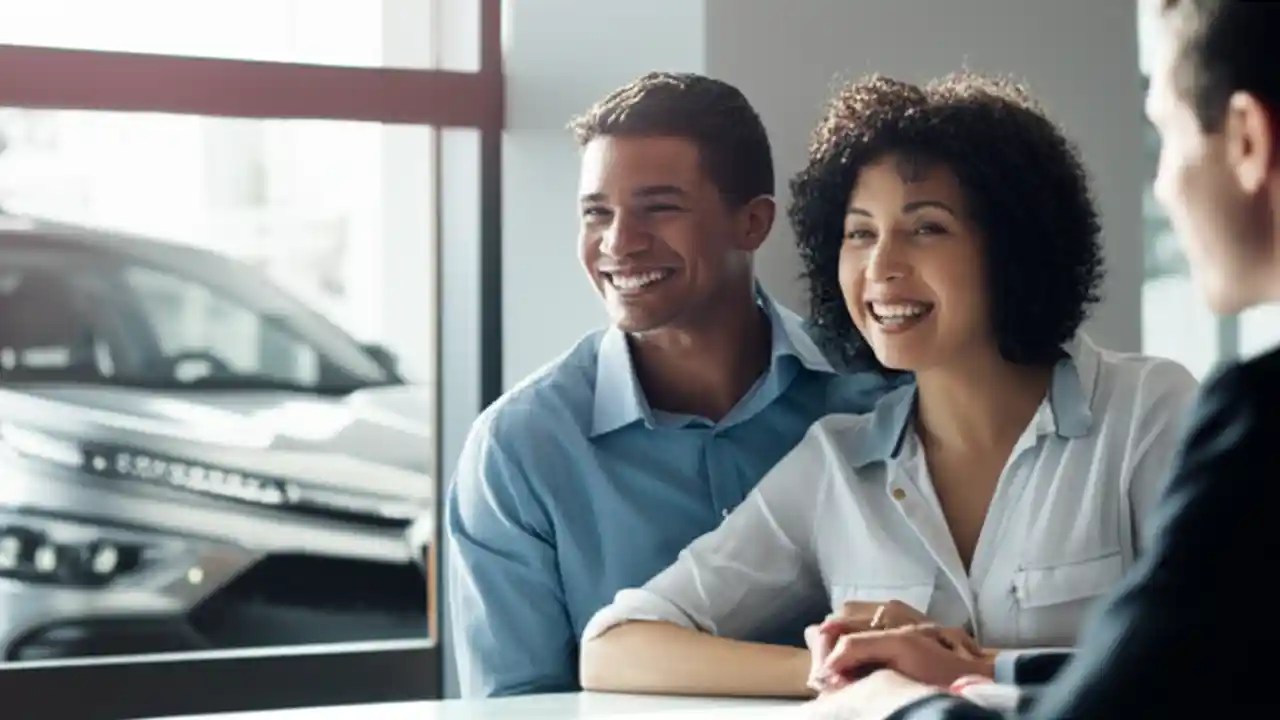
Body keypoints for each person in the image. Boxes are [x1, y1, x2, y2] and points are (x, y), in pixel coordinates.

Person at [577, 71, 1199, 699]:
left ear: (1013, 247)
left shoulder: (1147, 416)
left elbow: (1231, 653)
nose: (881, 267)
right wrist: (843, 666)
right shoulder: (836, 466)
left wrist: (978, 666)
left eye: (926, 228)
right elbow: (614, 645)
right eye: (860, 233)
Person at [805, 1, 1280, 717]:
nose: (1163, 185)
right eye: (859, 233)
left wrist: (892, 706)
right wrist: (978, 664)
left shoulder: (1257, 417)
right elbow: (1196, 661)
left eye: (1167, 135)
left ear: (1246, 139)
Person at [443, 71, 895, 698]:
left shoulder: (880, 400)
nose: (619, 242)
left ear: (753, 223)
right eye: (596, 213)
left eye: (659, 207)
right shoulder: (519, 449)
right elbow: (516, 708)